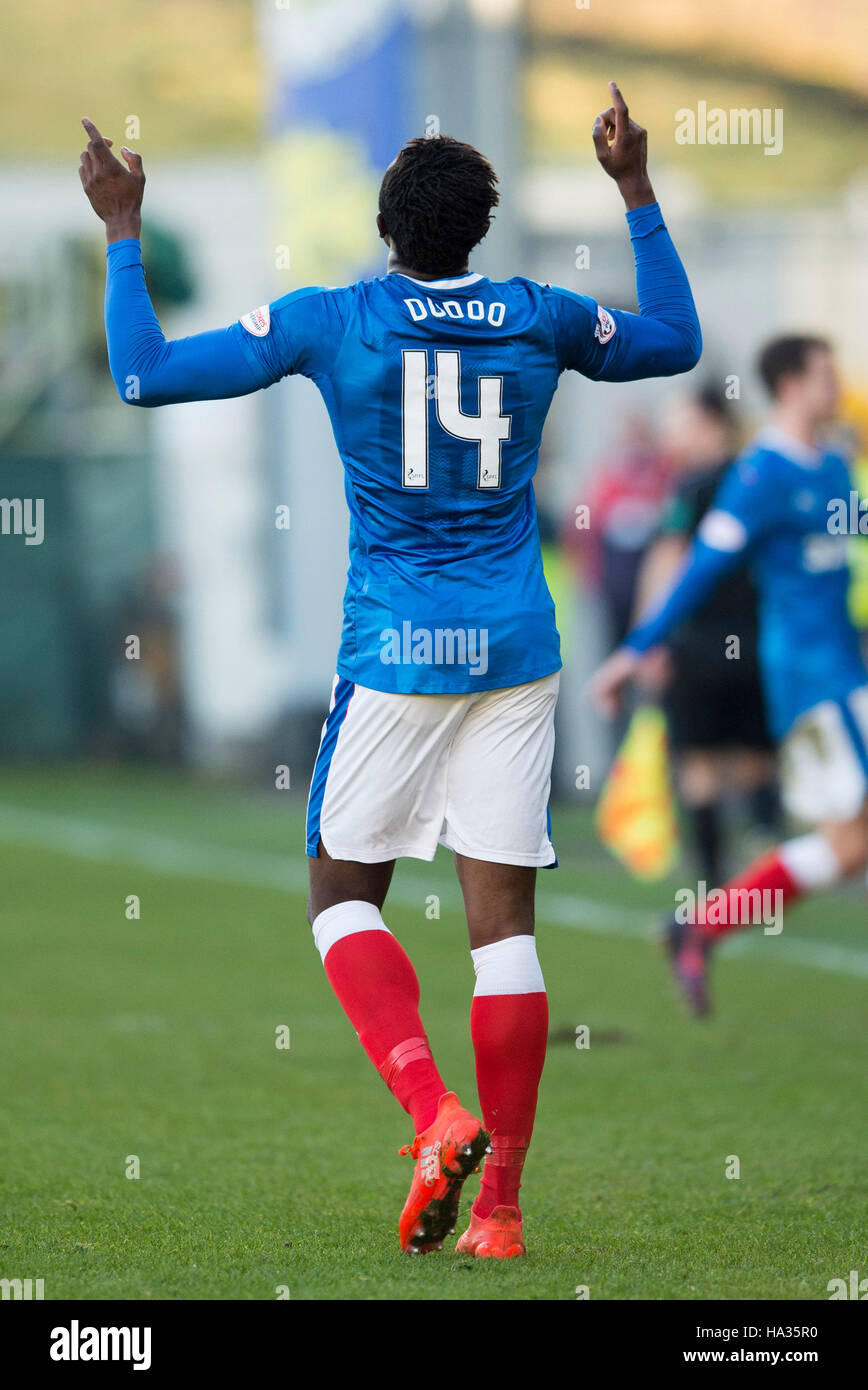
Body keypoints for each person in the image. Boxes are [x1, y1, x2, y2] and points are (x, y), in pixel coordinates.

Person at [79, 82, 701, 1258]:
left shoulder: (334, 319)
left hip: (396, 652)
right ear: (480, 226)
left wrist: (121, 230)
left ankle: (432, 1112)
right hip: (516, 648)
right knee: (504, 932)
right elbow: (676, 341)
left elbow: (144, 375)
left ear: (387, 229)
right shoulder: (540, 314)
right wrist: (632, 186)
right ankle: (505, 1213)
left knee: (339, 899)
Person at [592, 337, 867, 1017]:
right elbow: (700, 567)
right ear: (793, 385)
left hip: (845, 666)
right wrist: (637, 648)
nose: (837, 386)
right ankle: (702, 925)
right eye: (826, 375)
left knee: (850, 846)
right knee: (848, 838)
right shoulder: (759, 475)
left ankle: (702, 927)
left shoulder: (833, 463)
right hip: (808, 675)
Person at [635, 387, 778, 885]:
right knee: (758, 758)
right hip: (756, 638)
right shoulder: (755, 478)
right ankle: (765, 874)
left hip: (698, 643)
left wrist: (645, 641)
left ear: (712, 422)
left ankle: (714, 883)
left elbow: (667, 560)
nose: (671, 433)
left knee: (700, 764)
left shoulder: (691, 487)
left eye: (680, 421)